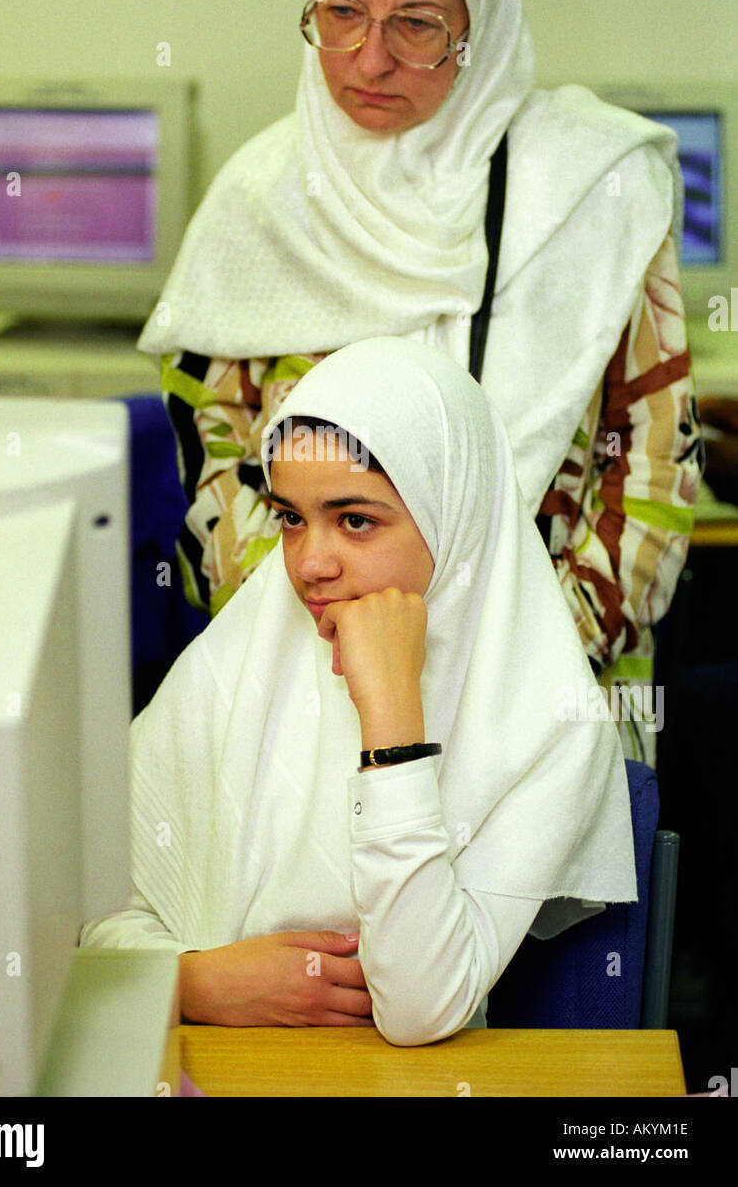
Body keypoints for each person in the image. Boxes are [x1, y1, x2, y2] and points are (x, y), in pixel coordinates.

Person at [138, 0, 702, 766]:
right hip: (297, 684)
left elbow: (649, 459)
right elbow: (218, 450)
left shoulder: (594, 187)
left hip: (549, 695)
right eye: (341, 13)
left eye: (418, 25)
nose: (370, 57)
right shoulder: (258, 199)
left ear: (483, 30)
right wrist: (319, 638)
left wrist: (517, 656)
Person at [81, 338, 636, 1046]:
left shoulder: (547, 726)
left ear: (452, 518)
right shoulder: (239, 657)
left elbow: (418, 1010)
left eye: (355, 521)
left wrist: (392, 725)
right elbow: (86, 912)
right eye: (289, 518)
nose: (309, 564)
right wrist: (193, 982)